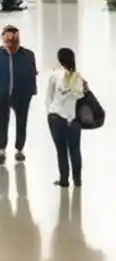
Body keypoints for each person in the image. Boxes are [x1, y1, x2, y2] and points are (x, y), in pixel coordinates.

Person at [0, 24, 37, 164]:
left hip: (22, 95)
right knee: (2, 120)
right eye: (9, 40)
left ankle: (19, 148)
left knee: (22, 121)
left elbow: (32, 73)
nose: (12, 43)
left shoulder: (28, 55)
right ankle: (1, 148)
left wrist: (31, 91)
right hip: (3, 94)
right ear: (3, 39)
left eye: (15, 40)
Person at [44, 47, 86, 187]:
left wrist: (49, 113)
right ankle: (77, 180)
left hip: (56, 117)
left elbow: (48, 98)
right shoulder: (78, 78)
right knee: (75, 149)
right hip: (73, 118)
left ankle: (64, 179)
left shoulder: (54, 76)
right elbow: (82, 97)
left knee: (61, 150)